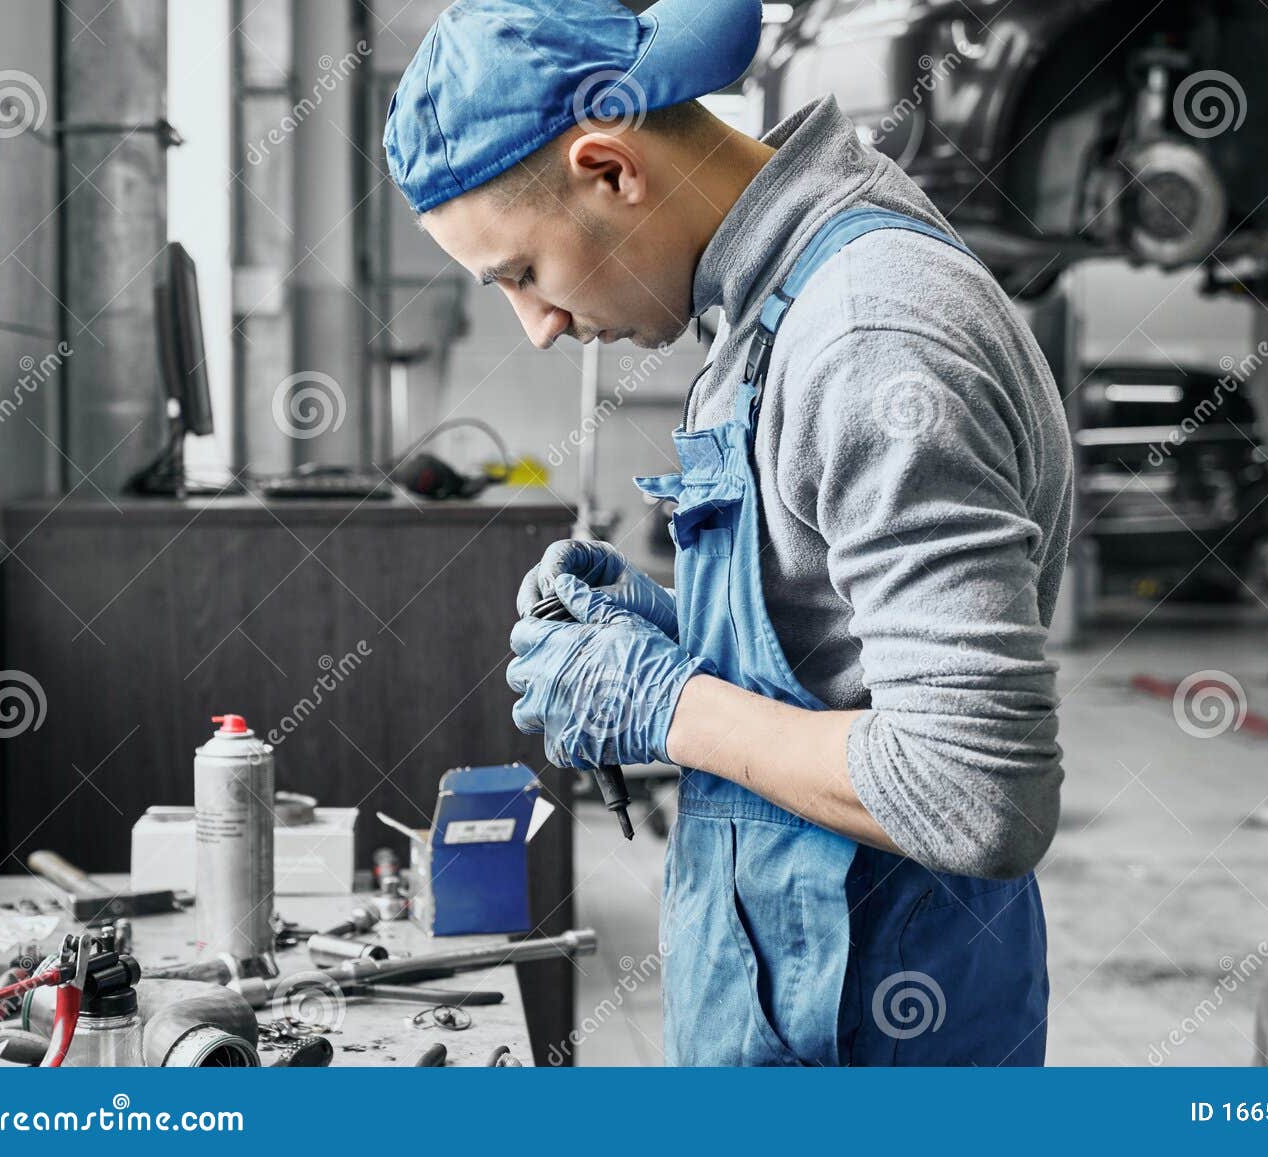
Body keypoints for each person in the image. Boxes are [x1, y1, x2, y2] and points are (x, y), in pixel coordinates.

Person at [386, 0, 1073, 1066]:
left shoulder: (866, 333)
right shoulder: (768, 299)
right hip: (786, 997)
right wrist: (662, 627)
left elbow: (974, 792)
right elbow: (842, 648)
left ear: (610, 169)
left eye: (521, 273)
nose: (537, 325)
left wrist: (660, 699)